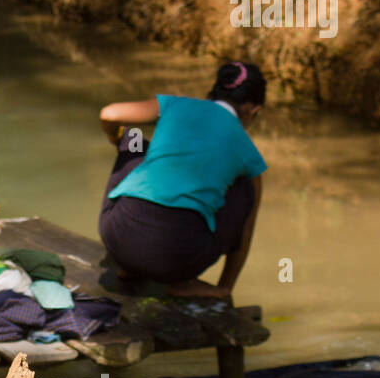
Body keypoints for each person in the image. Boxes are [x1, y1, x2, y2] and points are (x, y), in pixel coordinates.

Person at [96, 60, 267, 301]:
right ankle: (185, 284)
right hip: (179, 262)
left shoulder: (174, 104)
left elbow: (109, 114)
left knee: (133, 137)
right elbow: (245, 231)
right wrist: (224, 288)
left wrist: (117, 141)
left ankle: (127, 267)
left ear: (211, 94)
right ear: (253, 110)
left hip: (118, 236)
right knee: (245, 187)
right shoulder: (249, 154)